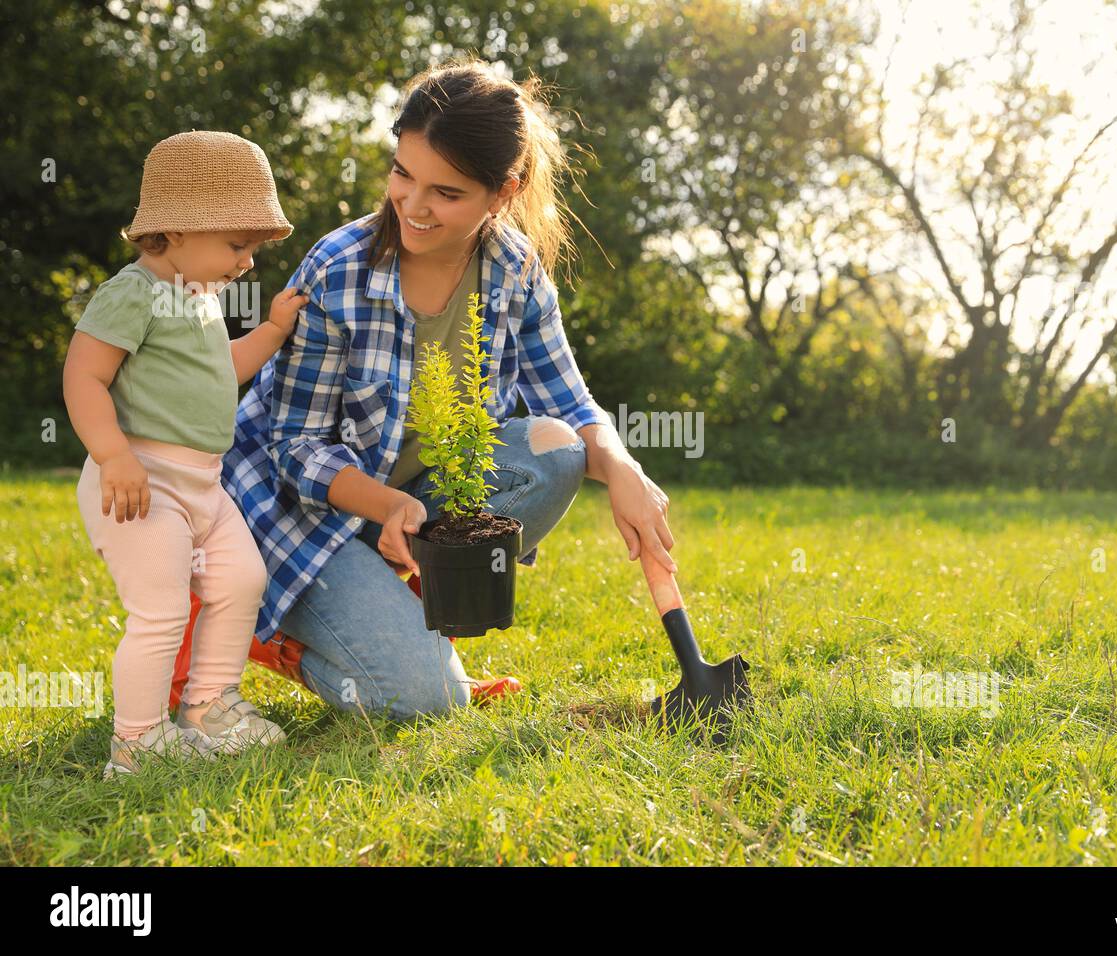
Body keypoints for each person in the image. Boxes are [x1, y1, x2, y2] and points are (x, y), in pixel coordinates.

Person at [221, 56, 677, 721]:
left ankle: (402, 611)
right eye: (403, 174)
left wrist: (625, 469)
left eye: (447, 192)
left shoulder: (516, 271)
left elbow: (570, 408)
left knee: (557, 451)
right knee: (426, 701)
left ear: (505, 191)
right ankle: (282, 637)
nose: (413, 204)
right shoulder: (339, 269)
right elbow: (295, 447)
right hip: (305, 514)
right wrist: (383, 506)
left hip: (413, 505)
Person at [64, 131, 308, 777]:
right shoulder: (132, 292)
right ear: (173, 231)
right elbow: (83, 374)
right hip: (141, 481)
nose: (248, 263)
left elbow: (221, 372)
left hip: (204, 485)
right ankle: (137, 742)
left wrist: (275, 330)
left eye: (253, 249)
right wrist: (113, 454)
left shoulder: (199, 298)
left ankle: (208, 707)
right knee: (162, 611)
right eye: (238, 245)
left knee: (240, 580)